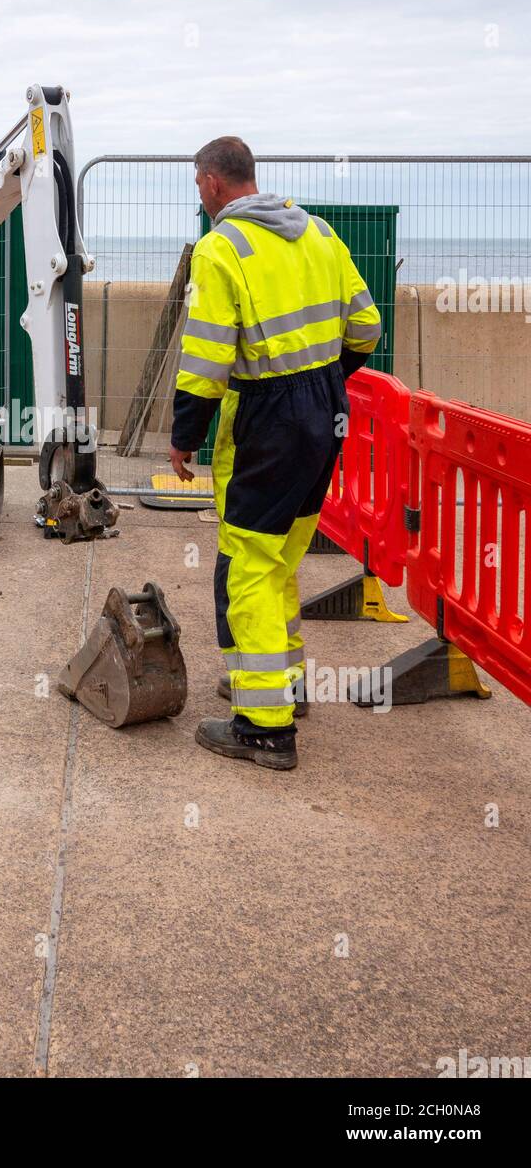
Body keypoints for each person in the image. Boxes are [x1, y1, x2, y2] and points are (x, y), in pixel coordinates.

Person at [169, 136, 381, 770]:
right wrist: (318, 381)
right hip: (326, 412)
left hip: (269, 419)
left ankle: (265, 729)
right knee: (281, 554)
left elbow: (206, 360)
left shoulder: (220, 248)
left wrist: (185, 435)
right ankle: (281, 688)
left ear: (210, 182)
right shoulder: (317, 233)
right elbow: (367, 328)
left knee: (250, 566)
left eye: (197, 184)